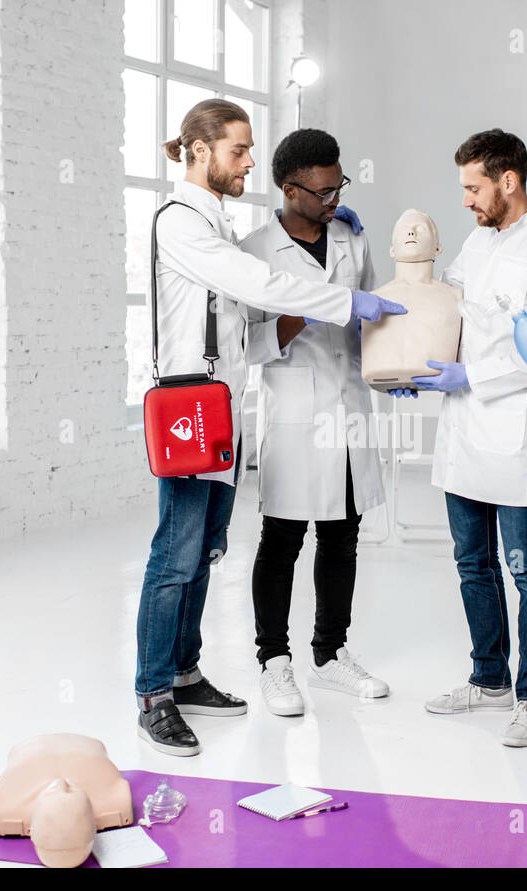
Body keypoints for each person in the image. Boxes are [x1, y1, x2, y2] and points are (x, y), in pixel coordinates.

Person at [135, 100, 405, 756]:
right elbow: (256, 282)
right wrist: (346, 301)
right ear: (199, 151)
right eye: (238, 150)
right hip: (190, 408)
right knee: (176, 552)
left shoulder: (218, 225)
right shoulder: (182, 225)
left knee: (203, 549)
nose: (249, 161)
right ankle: (153, 693)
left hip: (222, 408)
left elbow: (238, 329)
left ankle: (186, 671)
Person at [399, 129, 527, 747]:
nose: (466, 201)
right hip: (461, 431)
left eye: (473, 188)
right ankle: (488, 678)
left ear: (509, 181)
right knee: (471, 563)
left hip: (512, 434)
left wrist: (470, 375)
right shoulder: (478, 244)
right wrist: (410, 365)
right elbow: (440, 308)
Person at [239, 128, 390, 715]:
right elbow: (247, 344)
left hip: (348, 404)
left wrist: (393, 365)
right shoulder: (253, 252)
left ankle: (329, 656)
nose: (333, 200)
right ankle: (274, 662)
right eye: (323, 192)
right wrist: (311, 306)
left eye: (338, 188)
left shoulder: (351, 234)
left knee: (343, 536)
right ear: (289, 188)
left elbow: (370, 311)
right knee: (282, 539)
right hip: (294, 409)